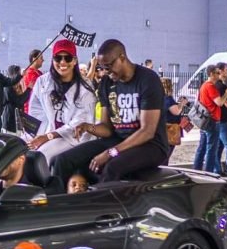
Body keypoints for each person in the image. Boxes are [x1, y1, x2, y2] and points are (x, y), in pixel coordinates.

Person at [53, 39, 170, 186]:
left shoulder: (147, 80)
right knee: (63, 160)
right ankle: (63, 205)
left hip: (151, 145)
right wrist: (88, 127)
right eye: (102, 68)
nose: (106, 72)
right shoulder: (107, 83)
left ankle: (102, 207)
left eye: (109, 67)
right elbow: (107, 128)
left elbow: (147, 131)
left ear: (122, 57)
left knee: (111, 167)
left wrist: (110, 153)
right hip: (118, 140)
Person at [26, 39, 97, 165]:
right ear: (53, 60)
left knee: (41, 157)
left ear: (75, 60)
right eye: (58, 58)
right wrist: (36, 135)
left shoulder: (85, 87)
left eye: (68, 58)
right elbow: (35, 112)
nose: (62, 62)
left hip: (74, 138)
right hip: (48, 132)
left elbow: (80, 122)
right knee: (20, 152)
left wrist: (48, 137)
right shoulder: (43, 82)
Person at [191, 65, 227, 174]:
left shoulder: (203, 86)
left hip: (204, 120)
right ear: (211, 74)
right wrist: (226, 94)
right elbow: (220, 102)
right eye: (217, 73)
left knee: (202, 147)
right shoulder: (210, 87)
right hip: (212, 120)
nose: (219, 75)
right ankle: (208, 172)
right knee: (211, 148)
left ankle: (197, 169)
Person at [2, 65, 30, 133]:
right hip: (10, 122)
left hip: (18, 120)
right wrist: (28, 90)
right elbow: (18, 101)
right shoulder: (8, 87)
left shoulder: (19, 85)